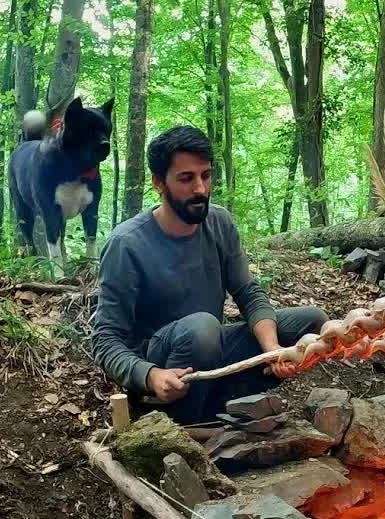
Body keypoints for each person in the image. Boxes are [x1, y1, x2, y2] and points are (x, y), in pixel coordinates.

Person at [92, 126, 328, 424]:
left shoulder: (219, 222)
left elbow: (248, 293)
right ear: (158, 183)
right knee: (203, 329)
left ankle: (223, 406)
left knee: (312, 322)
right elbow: (106, 339)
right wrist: (151, 376)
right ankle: (181, 422)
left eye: (206, 175)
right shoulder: (126, 244)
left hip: (211, 353)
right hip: (163, 372)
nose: (201, 189)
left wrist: (272, 350)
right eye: (186, 178)